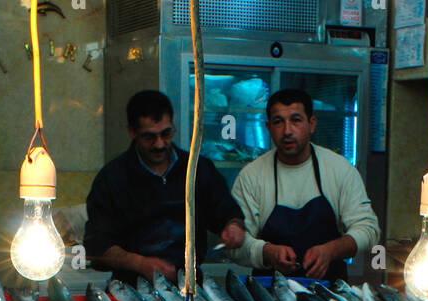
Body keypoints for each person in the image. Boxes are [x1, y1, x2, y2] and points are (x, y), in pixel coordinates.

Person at [83, 90, 246, 281]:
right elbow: (97, 246)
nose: (159, 144)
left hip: (189, 284)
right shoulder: (112, 178)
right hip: (131, 287)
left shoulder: (197, 168)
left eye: (166, 134)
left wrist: (233, 225)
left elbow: (227, 211)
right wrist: (139, 263)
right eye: (149, 137)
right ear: (131, 132)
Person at [226, 87, 379, 280]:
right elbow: (234, 245)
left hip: (329, 296)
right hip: (269, 295)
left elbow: (369, 229)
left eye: (296, 121)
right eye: (278, 122)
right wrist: (266, 251)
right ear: (268, 128)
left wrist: (331, 250)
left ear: (312, 124)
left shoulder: (339, 169)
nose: (287, 131)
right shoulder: (252, 176)